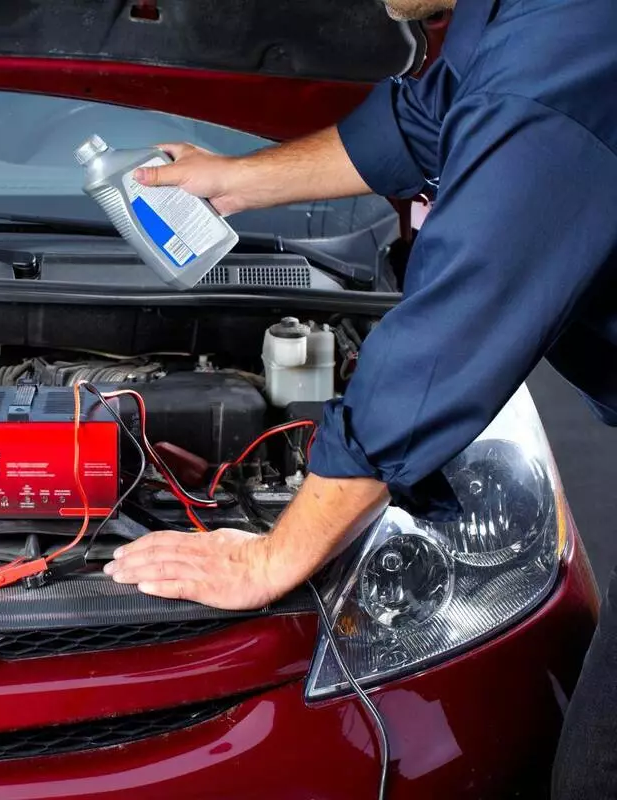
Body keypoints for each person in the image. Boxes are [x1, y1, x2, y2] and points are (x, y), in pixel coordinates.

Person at [101, 0, 617, 795]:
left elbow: (450, 337)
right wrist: (236, 182)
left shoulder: (551, 62)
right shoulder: (508, 18)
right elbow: (423, 118)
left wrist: (276, 555)